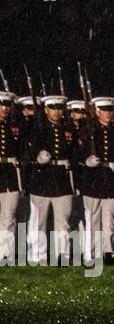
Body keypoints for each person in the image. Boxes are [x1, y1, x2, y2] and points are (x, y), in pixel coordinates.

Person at [24, 95, 80, 266]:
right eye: (53, 108)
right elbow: (26, 154)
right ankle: (38, 256)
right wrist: (37, 159)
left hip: (63, 180)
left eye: (60, 108)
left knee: (63, 221)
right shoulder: (36, 129)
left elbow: (76, 154)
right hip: (41, 179)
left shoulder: (69, 129)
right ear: (46, 109)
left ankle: (63, 255)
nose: (57, 112)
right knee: (38, 221)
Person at [79, 96, 114, 264]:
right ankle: (91, 253)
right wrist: (86, 160)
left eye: (110, 110)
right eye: (104, 110)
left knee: (110, 219)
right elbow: (77, 152)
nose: (108, 113)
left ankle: (109, 251)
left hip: (111, 178)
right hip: (93, 179)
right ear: (97, 111)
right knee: (92, 218)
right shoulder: (88, 130)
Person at [0, 92, 26, 264]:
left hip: (10, 174)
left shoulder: (16, 125)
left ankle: (4, 254)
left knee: (9, 216)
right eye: (1, 105)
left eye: (7, 105)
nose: (4, 109)